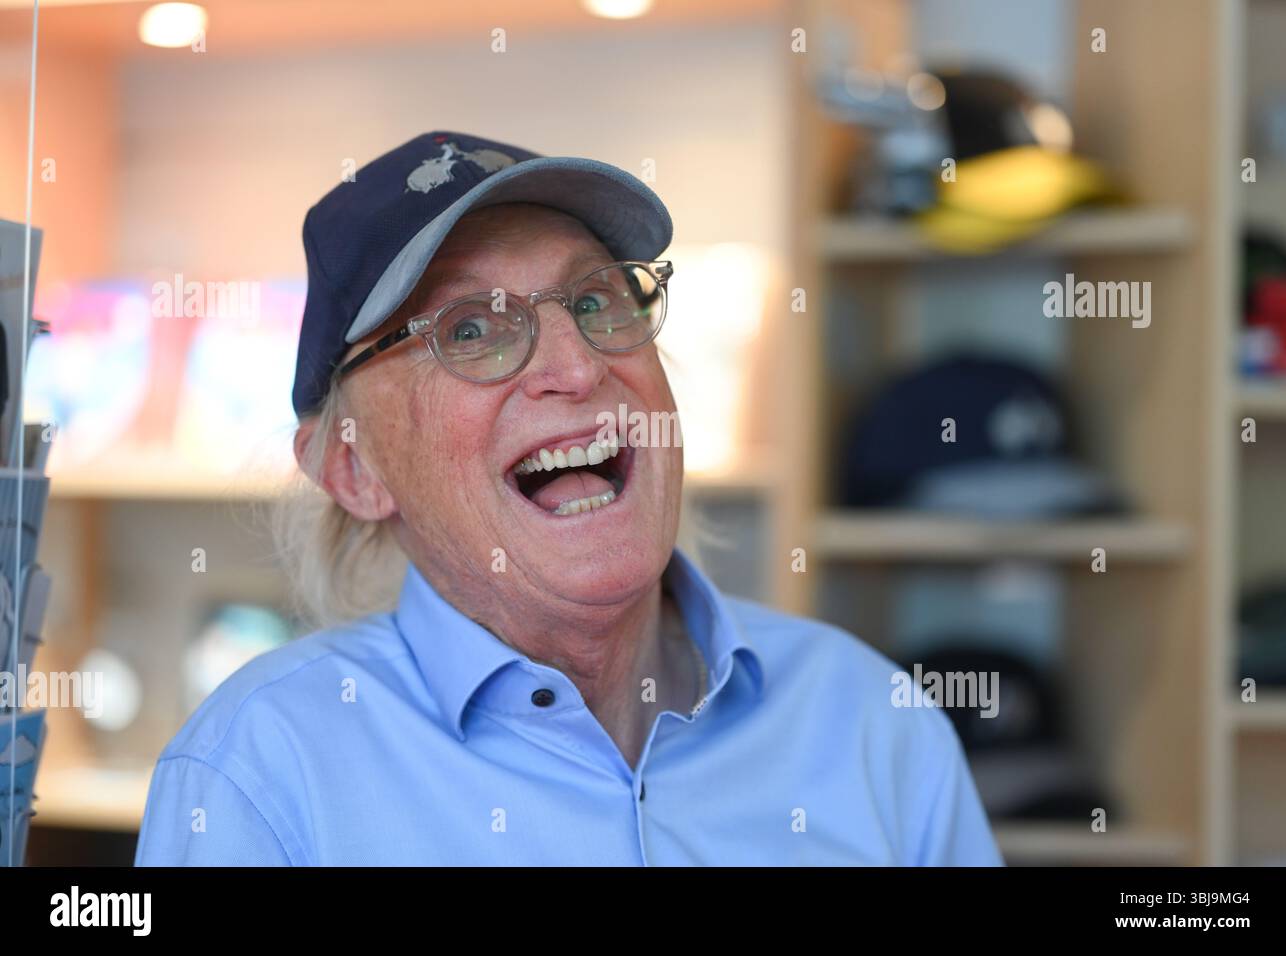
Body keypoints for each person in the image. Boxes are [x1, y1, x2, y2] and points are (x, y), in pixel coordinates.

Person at [134, 131, 1003, 866]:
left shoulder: (869, 721)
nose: (579, 366)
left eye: (597, 300)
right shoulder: (256, 775)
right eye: (469, 329)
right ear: (357, 471)